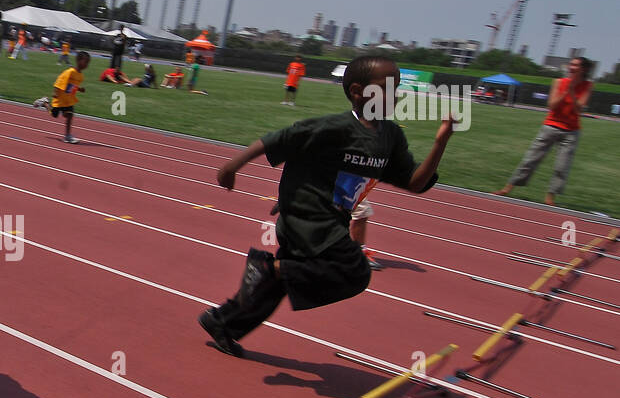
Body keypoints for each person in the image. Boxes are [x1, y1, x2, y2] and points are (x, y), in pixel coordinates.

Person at [198, 56, 454, 357]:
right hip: (309, 216)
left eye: (396, 88)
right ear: (358, 92)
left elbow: (414, 182)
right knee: (355, 270)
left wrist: (441, 143)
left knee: (281, 282)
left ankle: (223, 322)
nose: (394, 95)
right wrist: (231, 167)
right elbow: (281, 138)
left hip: (328, 217)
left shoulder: (390, 137)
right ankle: (269, 267)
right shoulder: (335, 128)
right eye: (386, 88)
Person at [494, 57, 594, 205]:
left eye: (575, 65)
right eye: (571, 64)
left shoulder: (587, 85)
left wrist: (572, 91)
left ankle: (550, 198)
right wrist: (566, 90)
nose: (571, 67)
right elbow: (552, 105)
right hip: (551, 126)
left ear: (583, 69)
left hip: (571, 131)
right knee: (531, 159)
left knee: (562, 166)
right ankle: (507, 188)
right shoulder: (559, 82)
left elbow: (579, 108)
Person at [51, 51, 90, 144]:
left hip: (69, 100)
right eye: (85, 62)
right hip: (60, 98)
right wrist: (55, 92)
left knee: (69, 115)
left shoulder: (81, 76)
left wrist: (80, 89)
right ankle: (44, 103)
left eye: (88, 63)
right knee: (54, 115)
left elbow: (73, 86)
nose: (86, 65)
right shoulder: (69, 72)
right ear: (78, 61)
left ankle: (67, 136)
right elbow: (59, 81)